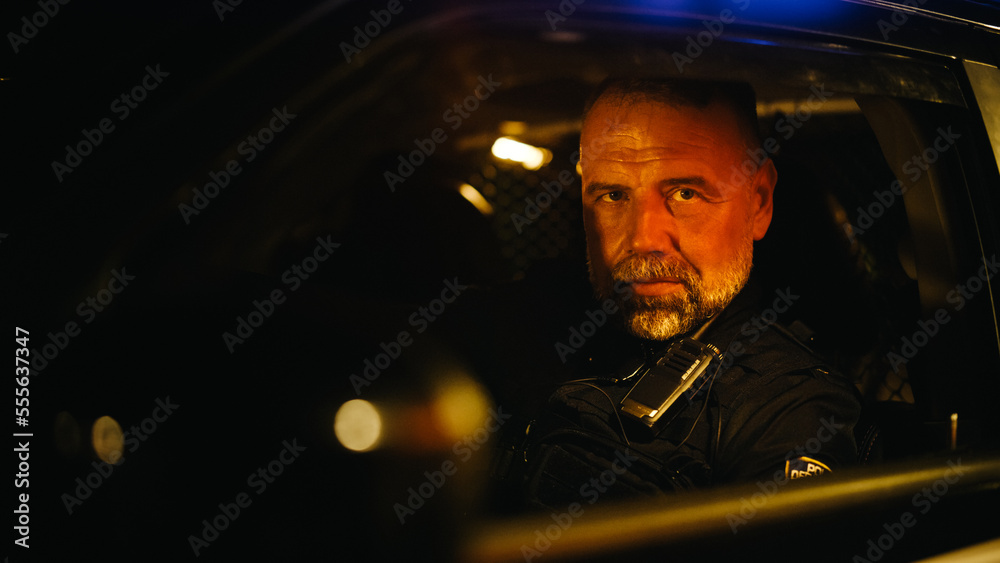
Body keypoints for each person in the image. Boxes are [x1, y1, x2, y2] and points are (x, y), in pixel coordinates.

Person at [471, 77, 861, 511]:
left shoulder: (786, 410)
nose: (643, 238)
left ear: (759, 202)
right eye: (614, 195)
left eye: (686, 193)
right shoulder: (516, 322)